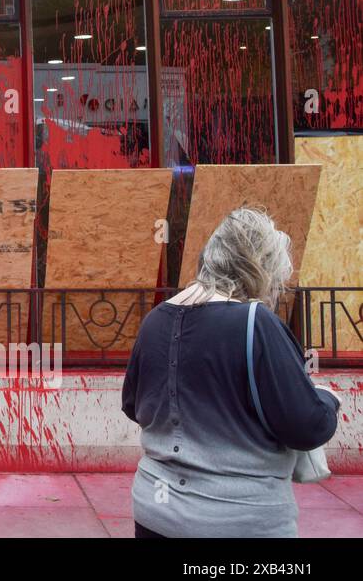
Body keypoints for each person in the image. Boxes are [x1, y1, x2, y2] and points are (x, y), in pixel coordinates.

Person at [122, 207, 340, 538]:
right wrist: (328, 400)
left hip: (155, 512)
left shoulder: (156, 319)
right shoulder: (256, 323)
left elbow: (133, 406)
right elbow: (306, 426)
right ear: (259, 267)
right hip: (238, 521)